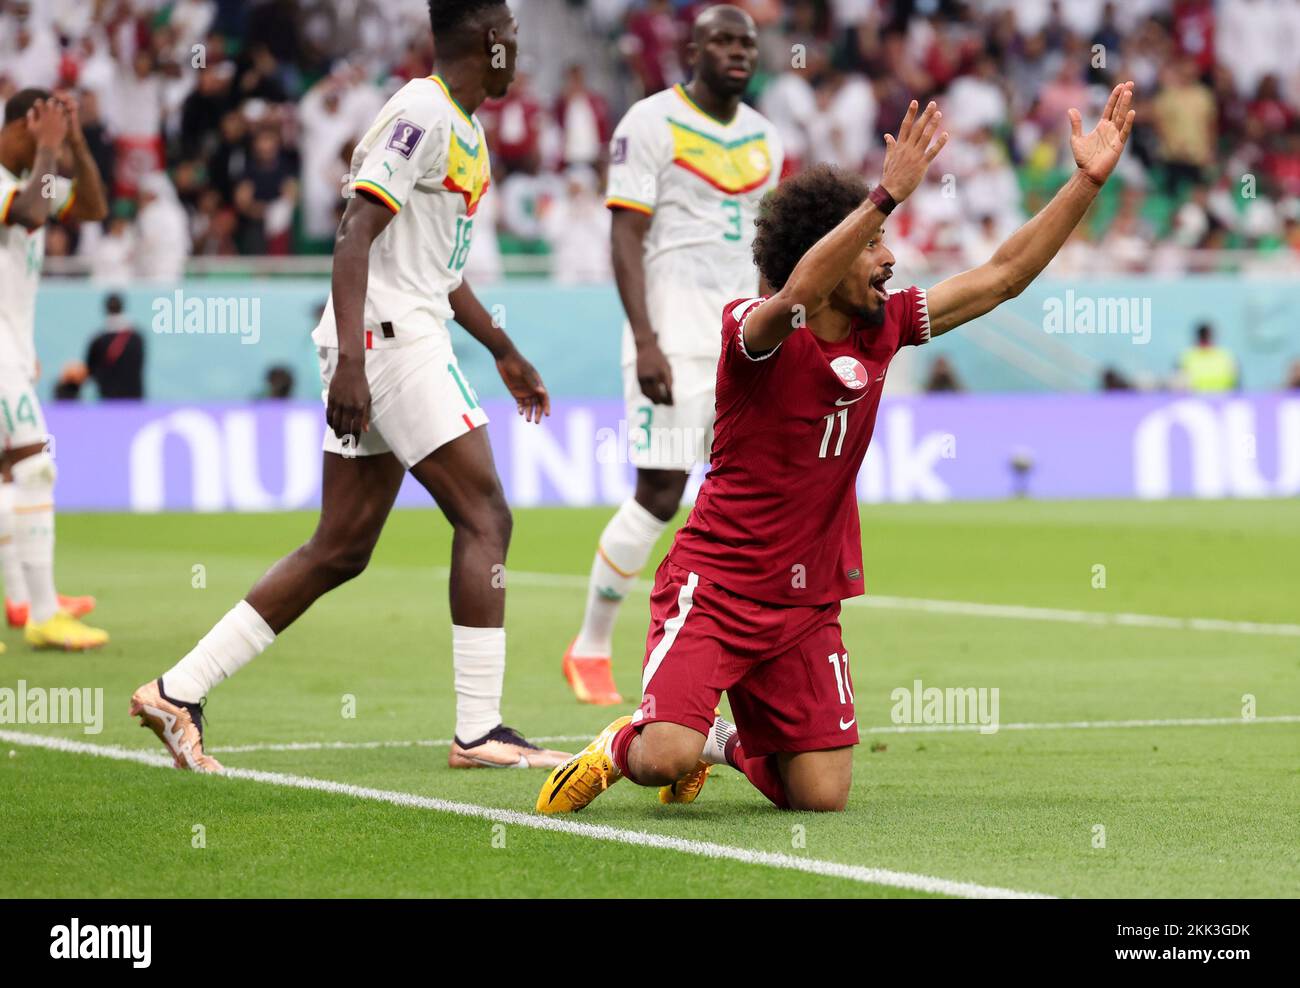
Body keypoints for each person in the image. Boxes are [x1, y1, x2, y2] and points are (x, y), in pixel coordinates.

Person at [540, 83, 1137, 814]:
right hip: (718, 587)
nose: (888, 260)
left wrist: (1086, 182)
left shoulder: (882, 325)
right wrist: (880, 199)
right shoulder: (751, 334)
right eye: (874, 246)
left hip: (806, 601)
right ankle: (621, 744)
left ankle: (724, 740)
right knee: (664, 755)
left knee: (820, 799)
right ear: (832, 252)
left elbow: (1003, 277)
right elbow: (794, 296)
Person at [131, 0, 570, 774]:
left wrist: (502, 347)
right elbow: (352, 232)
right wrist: (358, 361)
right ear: (488, 41)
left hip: (399, 330)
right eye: (513, 36)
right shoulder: (422, 110)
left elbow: (439, 270)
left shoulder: (463, 128)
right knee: (485, 513)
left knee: (339, 548)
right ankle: (479, 731)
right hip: (391, 341)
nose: (518, 49)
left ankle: (179, 689)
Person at [562, 5, 784, 705]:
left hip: (740, 342)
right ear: (693, 49)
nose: (737, 52)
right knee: (660, 493)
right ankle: (591, 645)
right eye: (722, 40)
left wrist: (771, 331)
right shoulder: (649, 122)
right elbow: (625, 237)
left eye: (746, 42)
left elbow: (767, 250)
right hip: (672, 340)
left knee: (752, 498)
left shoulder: (766, 139)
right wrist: (646, 339)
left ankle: (740, 654)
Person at [0, 87, 109, 648]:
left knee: (8, 474)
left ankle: (21, 598)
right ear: (23, 123)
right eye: (46, 127)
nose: (54, 141)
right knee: (34, 465)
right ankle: (43, 613)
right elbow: (28, 214)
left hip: (12, 346)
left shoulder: (34, 178)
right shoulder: (14, 184)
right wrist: (47, 149)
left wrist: (79, 147)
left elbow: (92, 209)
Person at [84, 293, 144, 399]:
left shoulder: (98, 340)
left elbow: (90, 370)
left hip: (108, 397)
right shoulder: (137, 338)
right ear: (122, 307)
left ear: (106, 309)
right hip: (133, 397)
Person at [1179, 323, 1238, 392]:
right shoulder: (1225, 355)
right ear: (1212, 336)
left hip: (1215, 397)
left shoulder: (1186, 356)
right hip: (1219, 397)